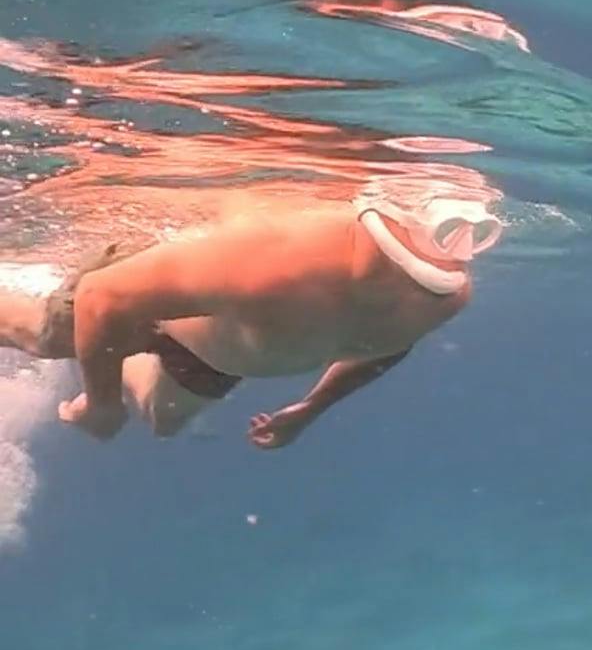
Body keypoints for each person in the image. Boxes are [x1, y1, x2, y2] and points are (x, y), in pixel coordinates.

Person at [0, 172, 502, 449]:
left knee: (162, 420)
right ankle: (103, 342)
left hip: (223, 339)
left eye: (475, 236)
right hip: (138, 291)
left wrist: (310, 408)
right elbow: (103, 297)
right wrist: (101, 402)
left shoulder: (445, 298)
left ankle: (119, 352)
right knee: (43, 339)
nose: (456, 249)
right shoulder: (280, 261)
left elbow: (385, 348)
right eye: (446, 228)